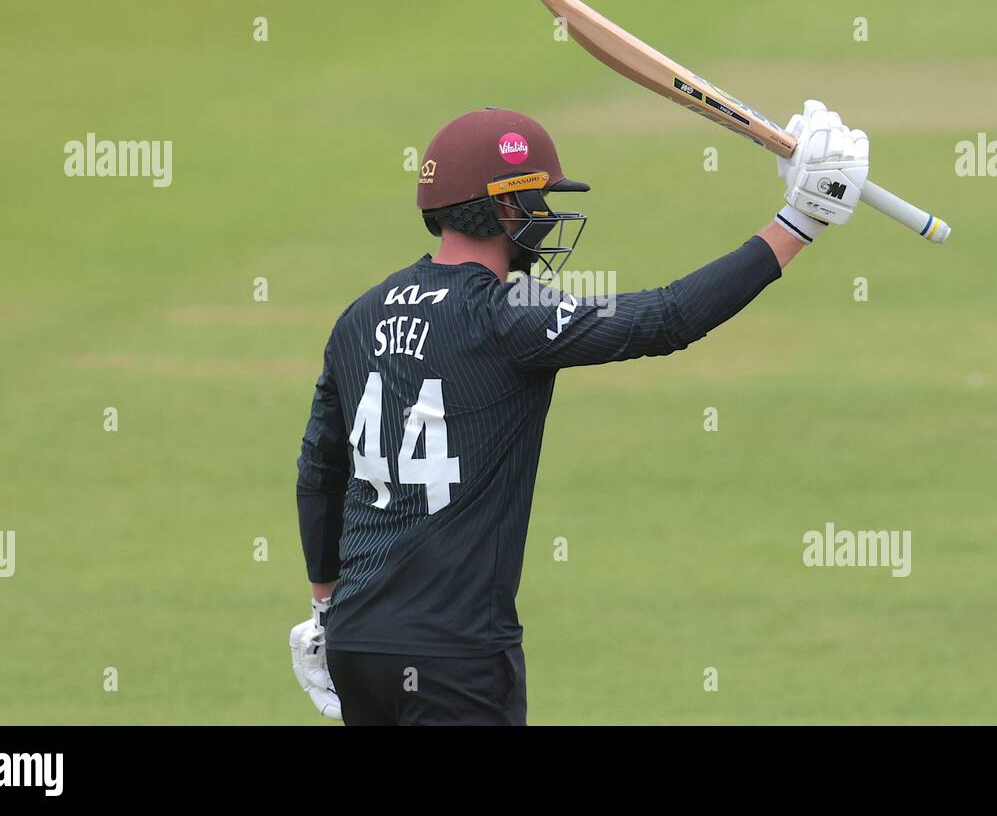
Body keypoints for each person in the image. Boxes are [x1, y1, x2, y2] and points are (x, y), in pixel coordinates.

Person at [289, 101, 869, 724]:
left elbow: (319, 475)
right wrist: (798, 223)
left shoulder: (358, 317)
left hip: (358, 643)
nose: (548, 214)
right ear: (506, 207)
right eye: (539, 199)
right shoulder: (505, 320)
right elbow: (668, 318)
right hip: (454, 659)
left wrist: (325, 609)